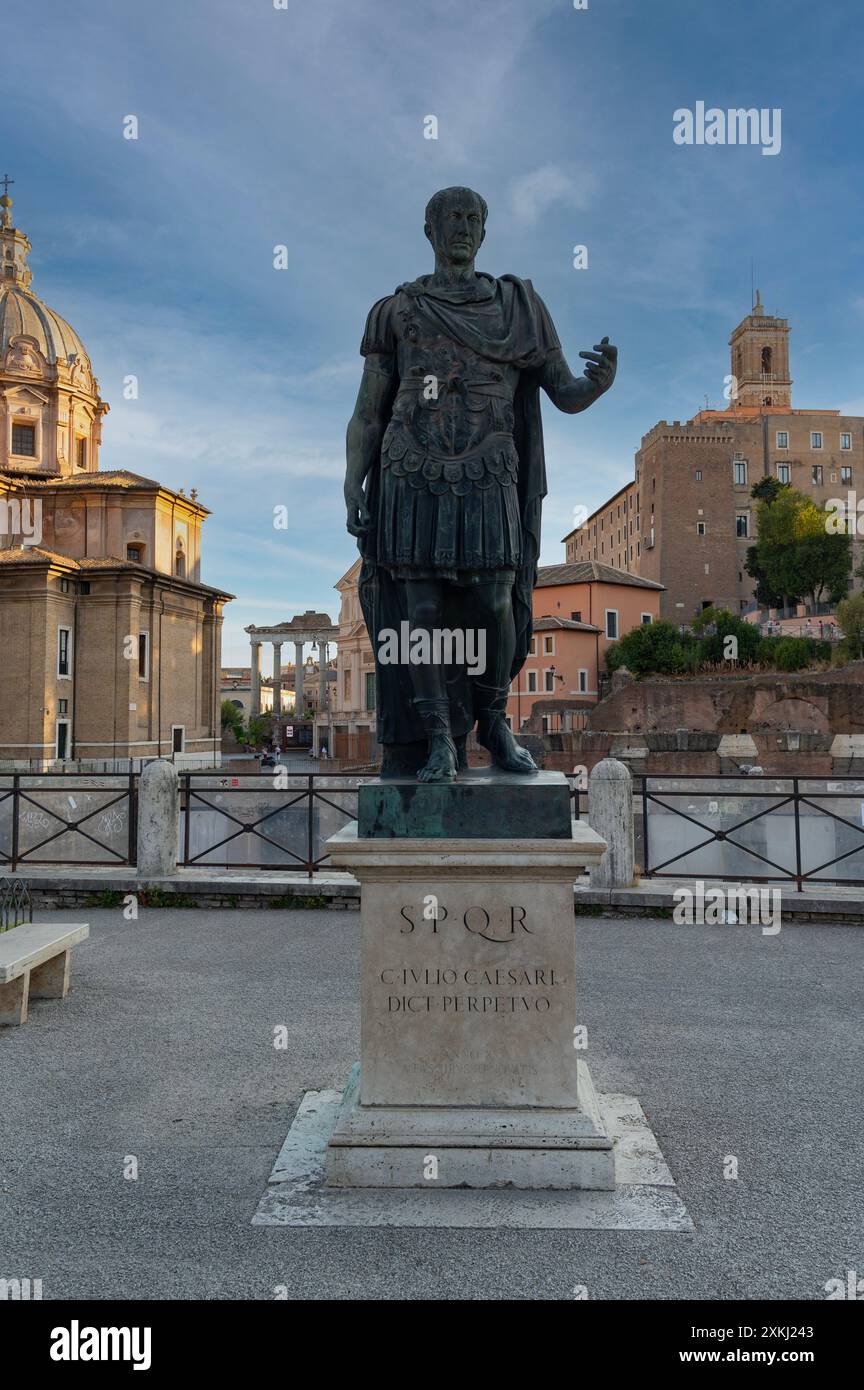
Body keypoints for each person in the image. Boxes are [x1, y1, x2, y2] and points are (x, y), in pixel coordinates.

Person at [345, 186, 616, 781]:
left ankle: (492, 721)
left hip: (490, 470)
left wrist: (596, 386)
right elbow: (368, 408)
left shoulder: (518, 306)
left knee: (495, 600)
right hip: (408, 469)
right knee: (420, 609)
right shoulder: (396, 310)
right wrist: (352, 481)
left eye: (473, 218)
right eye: (451, 218)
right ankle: (438, 736)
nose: (462, 228)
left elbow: (563, 392)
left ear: (485, 231)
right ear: (430, 230)